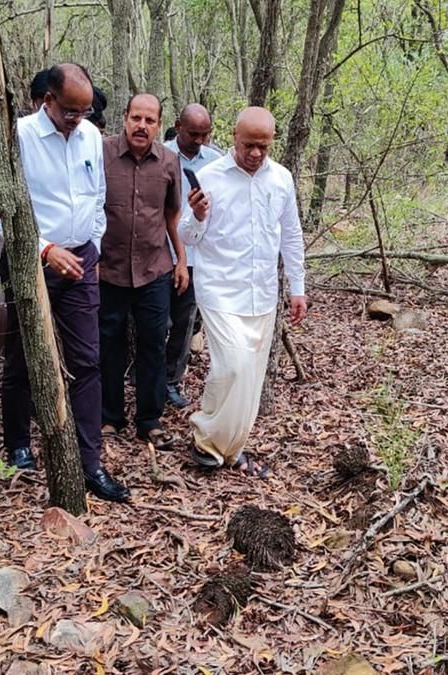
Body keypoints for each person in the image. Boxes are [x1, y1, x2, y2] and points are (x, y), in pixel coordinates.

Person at [5, 63, 129, 502]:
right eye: (71, 111)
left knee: (88, 360)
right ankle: (18, 442)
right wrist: (44, 249)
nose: (79, 119)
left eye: (86, 110)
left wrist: (91, 244)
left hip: (81, 260)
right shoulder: (17, 136)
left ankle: (89, 462)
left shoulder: (91, 136)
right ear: (48, 101)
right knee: (24, 355)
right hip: (32, 260)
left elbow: (97, 197)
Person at [180, 107, 307, 477]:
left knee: (249, 377)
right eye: (249, 145)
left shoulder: (281, 179)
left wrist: (296, 288)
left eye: (263, 147)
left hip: (262, 291)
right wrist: (197, 216)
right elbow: (187, 237)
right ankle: (206, 434)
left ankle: (228, 450)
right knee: (231, 366)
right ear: (233, 137)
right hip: (220, 288)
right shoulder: (209, 176)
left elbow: (292, 234)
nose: (255, 153)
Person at [99, 94, 187, 450]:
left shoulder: (168, 161)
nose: (142, 126)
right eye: (137, 118)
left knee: (154, 344)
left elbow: (172, 215)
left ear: (158, 124)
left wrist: (181, 259)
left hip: (155, 269)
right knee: (109, 344)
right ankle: (109, 416)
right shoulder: (102, 153)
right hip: (108, 268)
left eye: (150, 120)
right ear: (125, 117)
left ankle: (150, 420)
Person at [164, 104, 224, 409]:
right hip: (161, 252)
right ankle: (143, 373)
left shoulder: (216, 161)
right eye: (193, 134)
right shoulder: (160, 154)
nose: (200, 140)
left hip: (198, 257)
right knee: (154, 321)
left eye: (205, 134)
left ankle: (171, 381)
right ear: (178, 127)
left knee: (184, 323)